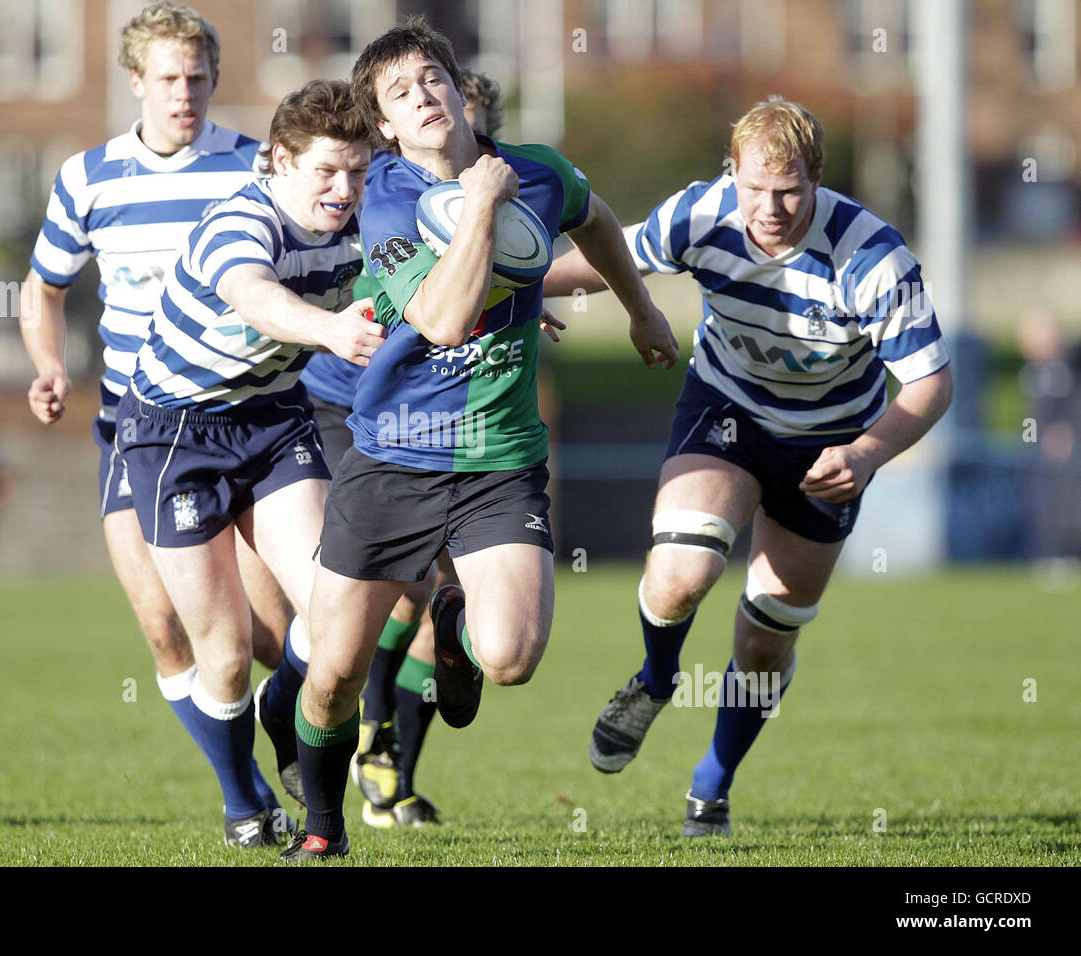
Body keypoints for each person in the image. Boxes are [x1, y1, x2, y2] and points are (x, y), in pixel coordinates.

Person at [280, 18, 678, 862]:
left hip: (500, 462)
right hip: (390, 458)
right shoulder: (385, 195)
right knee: (335, 676)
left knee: (512, 658)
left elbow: (596, 215)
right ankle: (323, 829)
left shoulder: (536, 170)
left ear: (458, 89)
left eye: (431, 78)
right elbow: (444, 318)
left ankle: (454, 619)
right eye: (398, 93)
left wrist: (641, 309)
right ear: (383, 125)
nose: (421, 96)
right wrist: (484, 204)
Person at [548, 95, 953, 836]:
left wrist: (866, 453)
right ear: (729, 174)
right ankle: (656, 679)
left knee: (767, 638)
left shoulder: (873, 256)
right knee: (680, 576)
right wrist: (500, 286)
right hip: (727, 410)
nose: (770, 208)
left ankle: (713, 784)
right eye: (754, 189)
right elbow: (609, 255)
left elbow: (931, 382)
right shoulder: (701, 215)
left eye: (790, 190)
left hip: (831, 443)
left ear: (818, 178)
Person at [18, 0, 295, 835]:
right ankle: (244, 801)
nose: (185, 93)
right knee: (163, 624)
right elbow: (45, 285)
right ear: (136, 81)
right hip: (132, 427)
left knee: (269, 636)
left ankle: (309, 736)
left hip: (244, 420)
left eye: (199, 77)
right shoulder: (88, 178)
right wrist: (48, 365)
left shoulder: (254, 167)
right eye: (169, 79)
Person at [116, 78, 379, 848]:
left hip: (269, 420)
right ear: (280, 161)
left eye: (358, 171)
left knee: (335, 612)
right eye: (327, 170)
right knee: (225, 655)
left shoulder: (362, 218)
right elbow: (256, 298)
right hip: (175, 435)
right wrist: (329, 330)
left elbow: (421, 270)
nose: (344, 188)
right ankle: (242, 804)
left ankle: (282, 707)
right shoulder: (241, 219)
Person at [302, 68, 510, 831]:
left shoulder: (492, 193)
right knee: (392, 599)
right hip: (348, 404)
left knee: (448, 603)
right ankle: (358, 735)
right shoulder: (384, 195)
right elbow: (418, 300)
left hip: (450, 424)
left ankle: (389, 771)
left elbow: (497, 280)